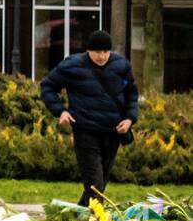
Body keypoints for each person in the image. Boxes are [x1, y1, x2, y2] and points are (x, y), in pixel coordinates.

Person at [39, 29, 138, 207]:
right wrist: (60, 111)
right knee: (95, 185)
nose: (102, 57)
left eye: (105, 52)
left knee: (99, 186)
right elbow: (47, 86)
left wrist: (130, 119)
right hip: (85, 131)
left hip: (113, 131)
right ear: (88, 51)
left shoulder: (122, 65)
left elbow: (131, 93)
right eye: (97, 52)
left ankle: (76, 219)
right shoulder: (72, 66)